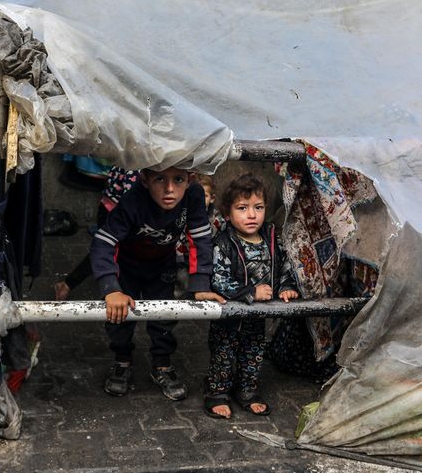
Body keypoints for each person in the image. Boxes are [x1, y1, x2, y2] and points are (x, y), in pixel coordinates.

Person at [90, 165, 215, 400]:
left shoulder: (195, 194)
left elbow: (200, 236)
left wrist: (200, 284)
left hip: (162, 264)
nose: (169, 189)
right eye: (160, 179)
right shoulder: (133, 199)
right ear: (145, 180)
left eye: (178, 179)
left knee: (164, 317)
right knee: (118, 317)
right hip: (126, 266)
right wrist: (111, 287)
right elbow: (103, 242)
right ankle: (122, 360)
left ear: (190, 180)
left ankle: (162, 364)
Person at [204, 172, 299, 419]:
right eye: (242, 208)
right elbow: (219, 280)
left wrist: (285, 286)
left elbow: (284, 266)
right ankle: (218, 393)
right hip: (230, 317)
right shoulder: (224, 243)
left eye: (258, 207)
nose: (251, 214)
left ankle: (247, 391)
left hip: (256, 318)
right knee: (224, 355)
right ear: (227, 214)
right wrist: (251, 292)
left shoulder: (270, 239)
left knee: (253, 355)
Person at [53, 166, 139, 301]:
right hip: (115, 211)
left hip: (110, 206)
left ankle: (68, 284)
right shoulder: (140, 162)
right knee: (109, 250)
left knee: (110, 250)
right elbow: (131, 197)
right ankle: (69, 284)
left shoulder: (136, 154)